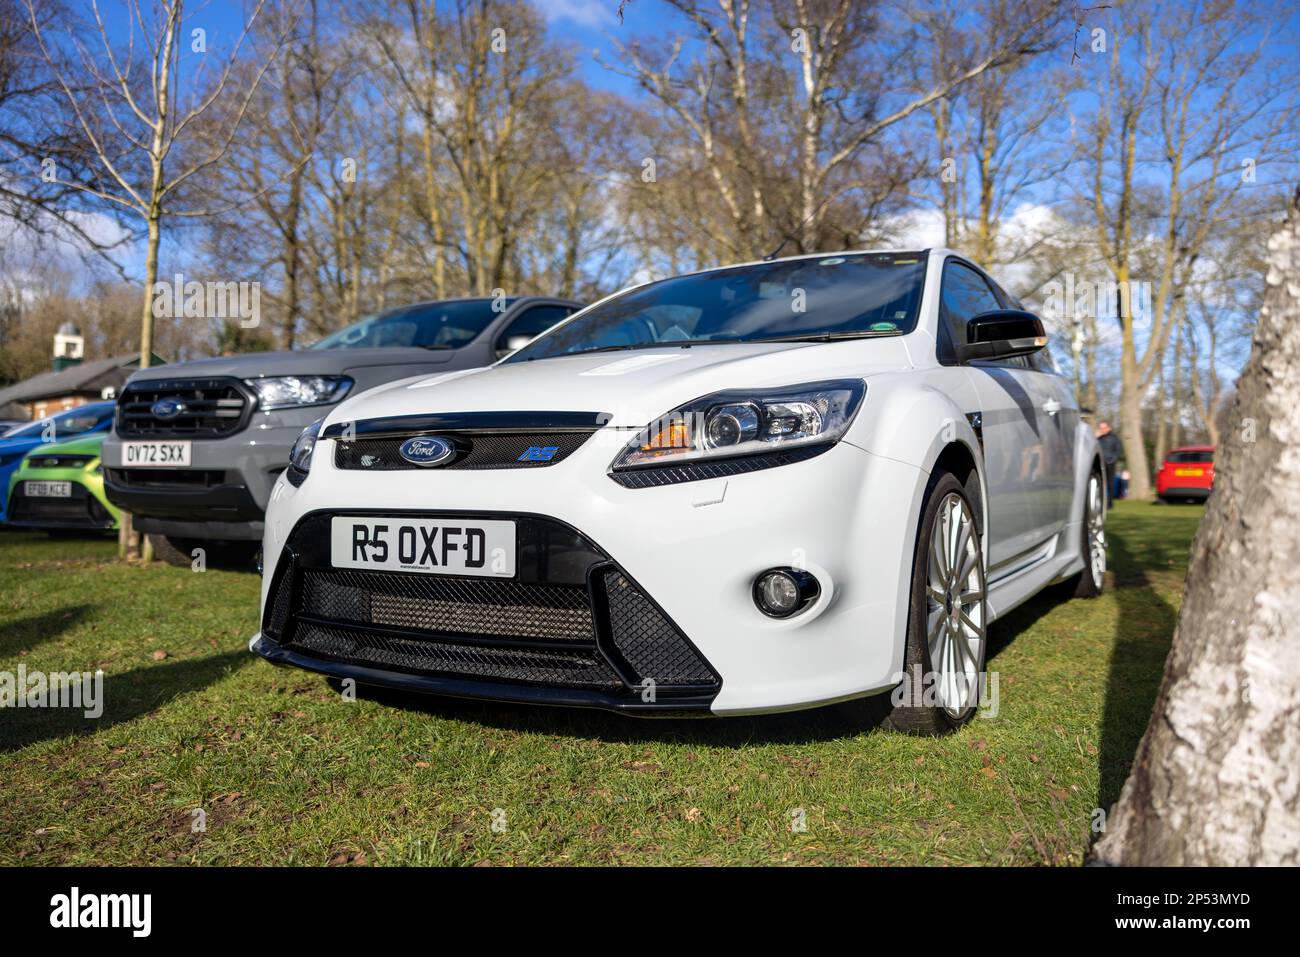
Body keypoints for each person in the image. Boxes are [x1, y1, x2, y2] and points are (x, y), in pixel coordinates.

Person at [1096, 421, 1122, 507]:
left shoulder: (1114, 438)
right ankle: (1099, 500)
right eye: (1101, 428)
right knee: (1100, 482)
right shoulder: (1098, 438)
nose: (1102, 430)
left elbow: (1118, 450)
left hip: (1110, 463)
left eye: (1104, 428)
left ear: (1108, 428)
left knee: (1110, 483)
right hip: (1099, 463)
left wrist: (1112, 460)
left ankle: (1110, 502)